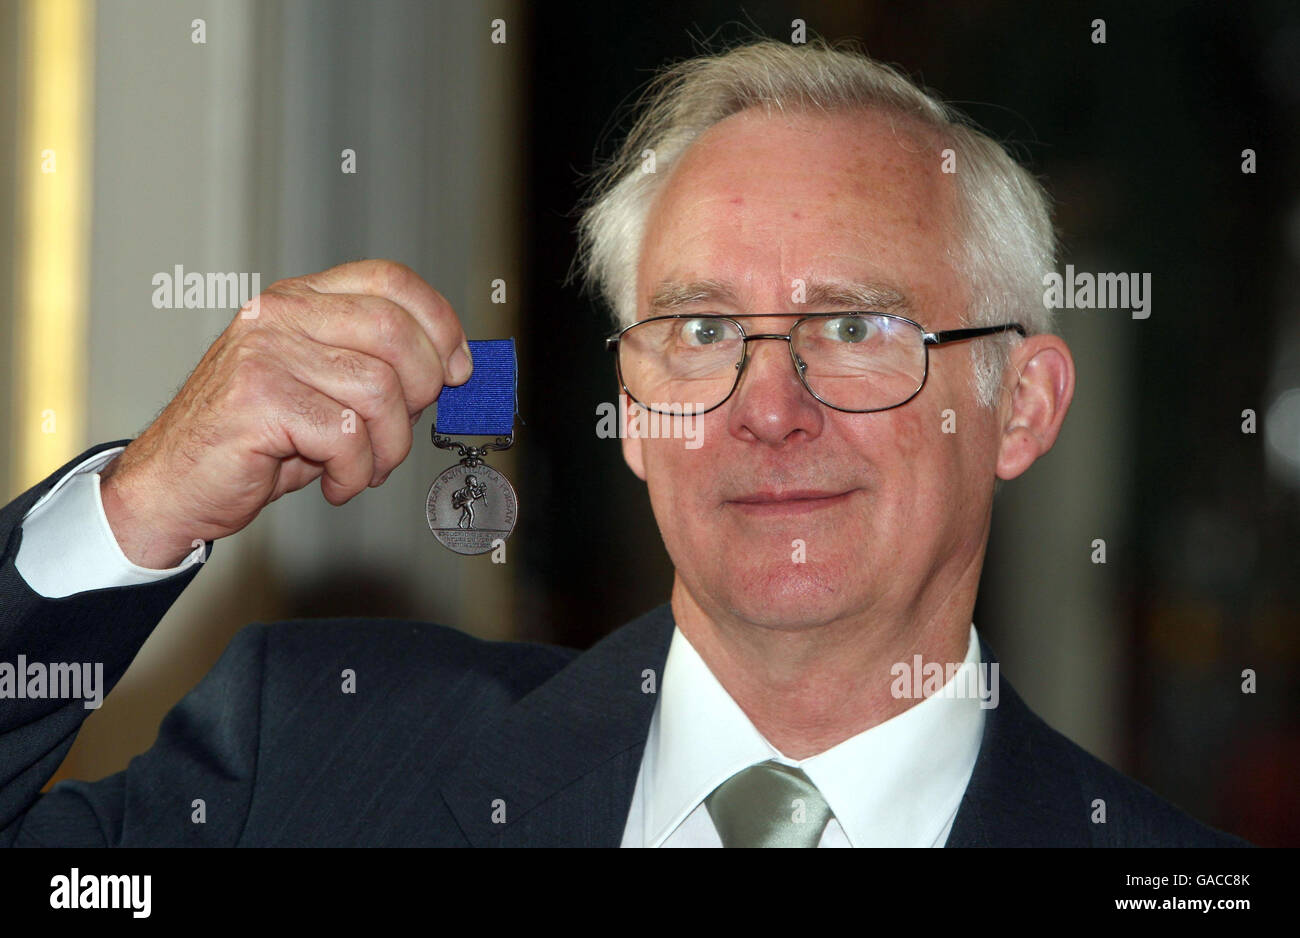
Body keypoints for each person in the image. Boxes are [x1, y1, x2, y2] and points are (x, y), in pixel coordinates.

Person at [0, 39, 1247, 847]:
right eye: (702, 327)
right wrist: (134, 513)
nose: (769, 405)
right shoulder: (317, 764)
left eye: (855, 324)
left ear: (1020, 404)